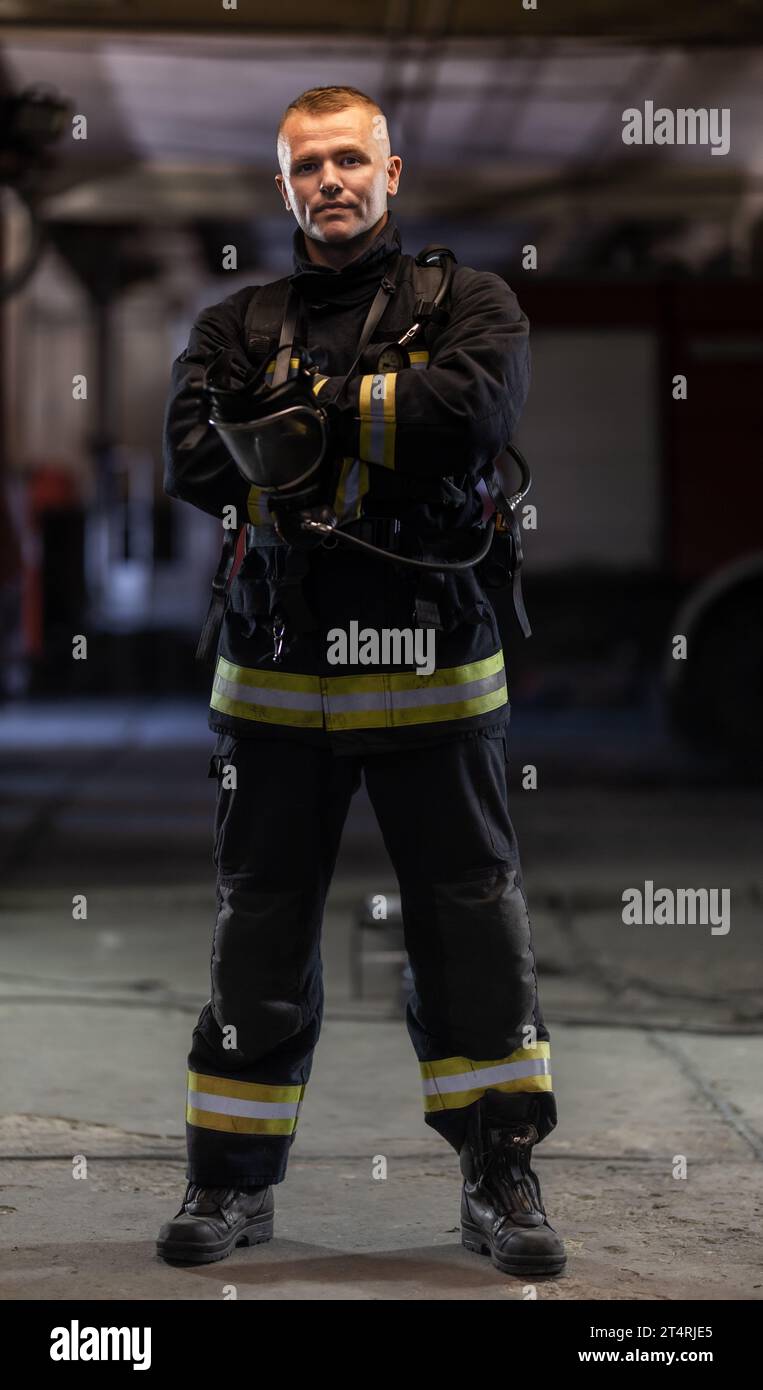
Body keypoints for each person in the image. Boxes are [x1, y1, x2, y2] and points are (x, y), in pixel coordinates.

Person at [157, 84, 566, 1278]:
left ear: (393, 174)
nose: (329, 180)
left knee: (470, 925)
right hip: (275, 682)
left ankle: (500, 1179)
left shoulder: (474, 305)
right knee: (259, 935)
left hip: (433, 667)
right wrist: (367, 421)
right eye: (307, 165)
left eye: (350, 160)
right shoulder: (234, 320)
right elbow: (192, 451)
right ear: (282, 188)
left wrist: (304, 419)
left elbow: (470, 413)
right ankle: (228, 1185)